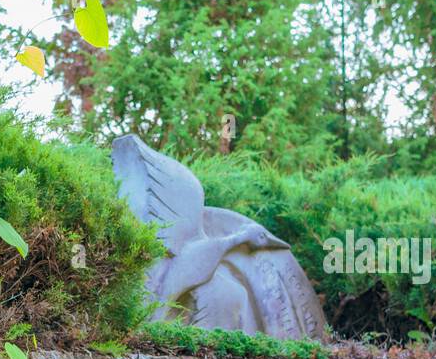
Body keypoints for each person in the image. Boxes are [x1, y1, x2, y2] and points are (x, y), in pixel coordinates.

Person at [111, 135, 327, 341]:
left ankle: (196, 344)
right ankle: (154, 326)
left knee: (233, 294)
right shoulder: (192, 229)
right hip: (161, 293)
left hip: (178, 301)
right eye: (261, 238)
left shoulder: (217, 252)